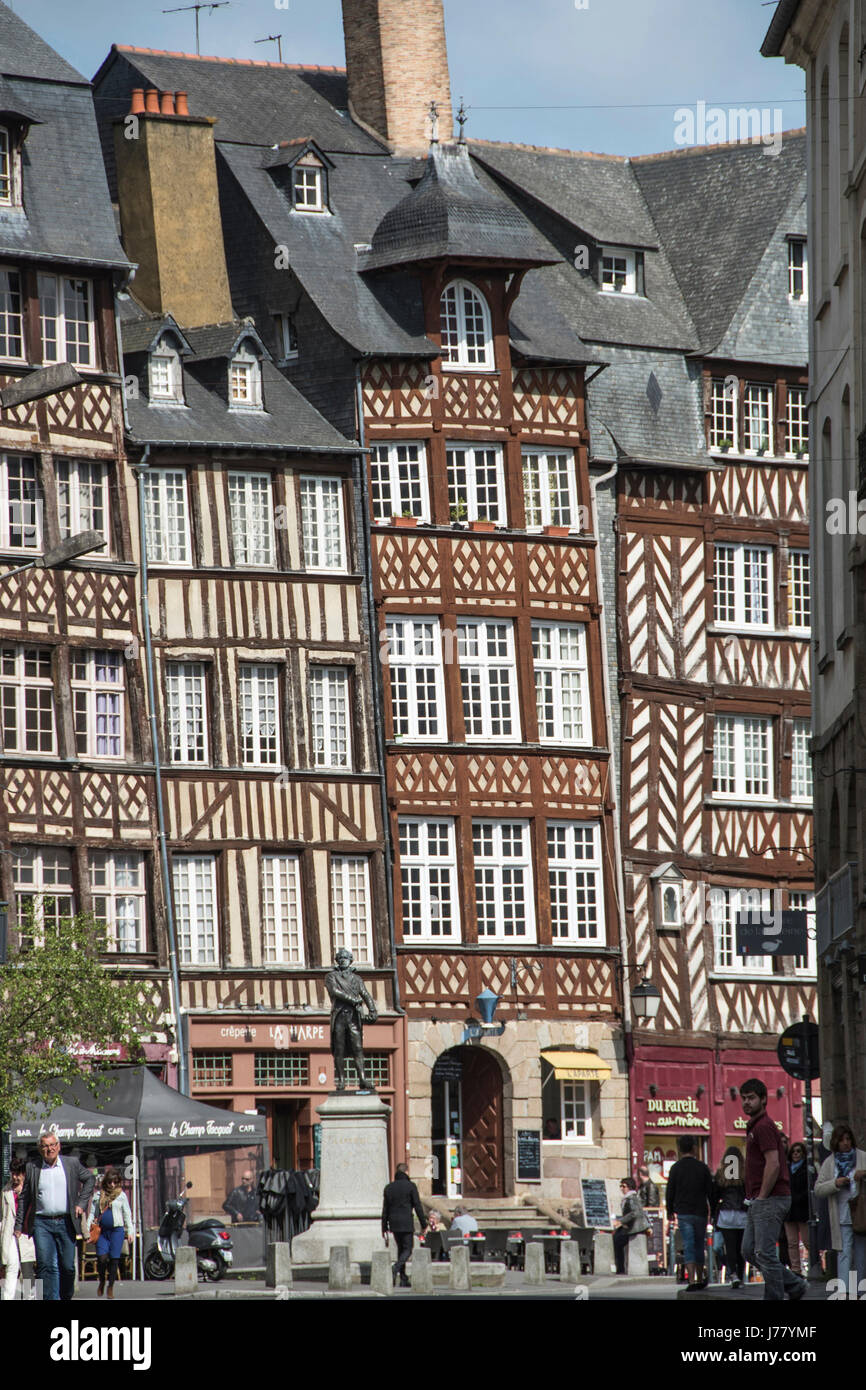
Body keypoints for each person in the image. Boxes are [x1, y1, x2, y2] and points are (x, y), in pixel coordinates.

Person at [739, 1078, 807, 1302]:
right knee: (749, 1251)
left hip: (771, 1197)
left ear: (763, 1100)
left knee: (765, 1253)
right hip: (760, 1199)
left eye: (752, 1098)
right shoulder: (755, 1127)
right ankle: (795, 1285)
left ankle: (775, 1296)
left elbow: (774, 1163)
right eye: (744, 1098)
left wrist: (762, 1196)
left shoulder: (764, 1127)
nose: (747, 1103)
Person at [14, 1130, 95, 1302]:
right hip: (41, 1223)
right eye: (44, 1146)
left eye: (52, 1145)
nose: (49, 1149)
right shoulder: (33, 1167)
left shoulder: (71, 1164)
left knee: (67, 1267)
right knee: (46, 1265)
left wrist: (81, 1203)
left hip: (65, 1222)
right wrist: (19, 1225)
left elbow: (89, 1179)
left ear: (58, 1146)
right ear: (39, 1148)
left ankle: (65, 1296)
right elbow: (24, 1197)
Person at [814, 1123, 866, 1292]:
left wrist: (863, 1174)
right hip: (841, 1215)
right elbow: (819, 1189)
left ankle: (859, 1291)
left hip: (860, 1213)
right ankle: (844, 1291)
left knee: (861, 1254)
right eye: (842, 1140)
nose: (846, 1143)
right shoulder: (830, 1162)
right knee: (844, 1254)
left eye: (848, 1139)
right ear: (835, 1142)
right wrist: (835, 1183)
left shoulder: (862, 1157)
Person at [665, 1136, 713, 1289]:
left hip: (683, 1212)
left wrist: (670, 1211)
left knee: (688, 1244)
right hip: (700, 1211)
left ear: (680, 1149)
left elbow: (670, 1191)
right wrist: (713, 1210)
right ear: (694, 1148)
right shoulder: (702, 1167)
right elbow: (710, 1191)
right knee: (700, 1244)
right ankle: (700, 1276)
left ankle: (691, 1279)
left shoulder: (676, 1168)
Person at [88, 1168, 134, 1299]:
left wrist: (130, 1231)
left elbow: (127, 1214)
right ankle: (102, 1280)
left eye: (115, 1182)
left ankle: (111, 1287)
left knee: (114, 1260)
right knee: (102, 1259)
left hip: (117, 1231)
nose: (112, 1185)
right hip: (102, 1232)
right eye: (110, 1182)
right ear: (105, 1182)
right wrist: (87, 1231)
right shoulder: (98, 1195)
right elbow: (92, 1213)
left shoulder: (121, 1195)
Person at [381, 1163, 426, 1288]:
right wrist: (423, 1223)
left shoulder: (389, 1187)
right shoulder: (410, 1186)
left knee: (401, 1249)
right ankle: (395, 1268)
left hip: (393, 1223)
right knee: (408, 1249)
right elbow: (417, 1206)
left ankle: (403, 1278)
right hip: (406, 1222)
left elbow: (385, 1209)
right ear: (406, 1172)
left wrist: (383, 1227)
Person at [712, 1147, 748, 1288]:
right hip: (742, 1214)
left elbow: (714, 1195)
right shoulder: (745, 1174)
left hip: (726, 1215)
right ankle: (740, 1275)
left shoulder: (721, 1174)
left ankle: (732, 1274)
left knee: (730, 1247)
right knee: (741, 1248)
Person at [1, 1159, 37, 1301]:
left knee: (28, 1270)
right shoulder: (6, 1190)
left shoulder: (31, 1189)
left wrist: (23, 1192)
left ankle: (31, 1298)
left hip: (27, 1233)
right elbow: (3, 1215)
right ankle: (7, 1298)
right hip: (10, 1234)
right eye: (13, 1174)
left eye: (18, 1174)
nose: (15, 1177)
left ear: (24, 1174)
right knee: (11, 1266)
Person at [784, 1141, 816, 1276]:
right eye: (794, 1151)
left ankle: (815, 1264)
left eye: (798, 1151)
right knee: (792, 1242)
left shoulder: (808, 1168)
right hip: (789, 1210)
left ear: (803, 1153)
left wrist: (798, 1198)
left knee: (807, 1240)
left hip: (802, 1209)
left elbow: (811, 1188)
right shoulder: (786, 1169)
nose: (796, 1154)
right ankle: (796, 1269)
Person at [613, 1177, 650, 1274]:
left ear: (629, 1187)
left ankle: (620, 1269)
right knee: (616, 1238)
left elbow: (635, 1212)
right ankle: (620, 1268)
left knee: (617, 1241)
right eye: (620, 1186)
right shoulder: (628, 1198)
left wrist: (621, 1221)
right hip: (630, 1226)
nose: (621, 1188)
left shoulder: (632, 1198)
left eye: (623, 1186)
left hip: (635, 1228)